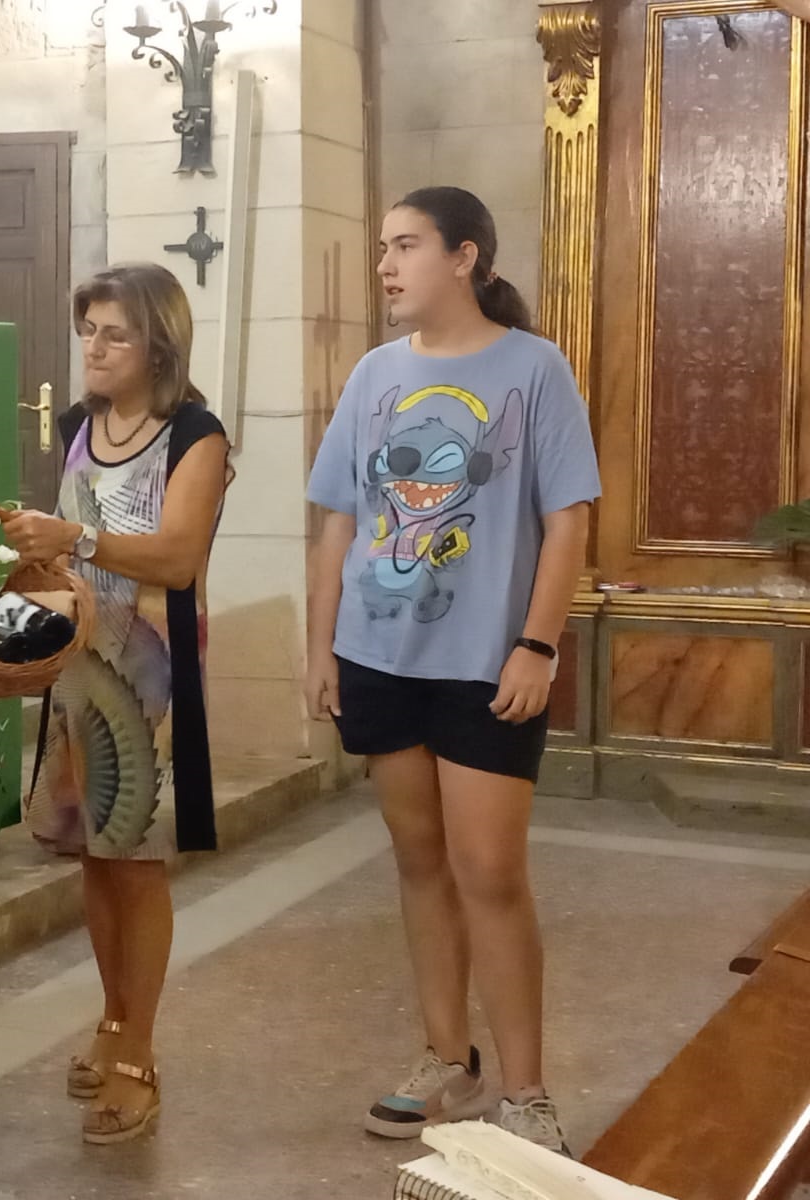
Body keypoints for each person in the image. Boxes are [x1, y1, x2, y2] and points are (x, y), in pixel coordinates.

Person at [305, 186, 599, 1154]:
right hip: (377, 656)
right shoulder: (372, 376)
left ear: (464, 257)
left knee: (489, 871)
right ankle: (448, 1061)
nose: (386, 264)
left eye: (406, 246)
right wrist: (320, 648)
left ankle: (526, 1091)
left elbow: (567, 521)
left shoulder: (533, 370)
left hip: (485, 663)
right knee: (419, 862)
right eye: (382, 245)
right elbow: (338, 523)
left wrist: (538, 642)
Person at [4, 262, 230, 1145]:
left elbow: (176, 558)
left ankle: (140, 1045)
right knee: (93, 857)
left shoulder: (194, 435)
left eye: (115, 334)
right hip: (78, 662)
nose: (93, 349)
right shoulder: (80, 426)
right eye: (88, 330)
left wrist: (78, 536)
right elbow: (66, 547)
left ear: (159, 345)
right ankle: (109, 1013)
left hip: (149, 670)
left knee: (136, 858)